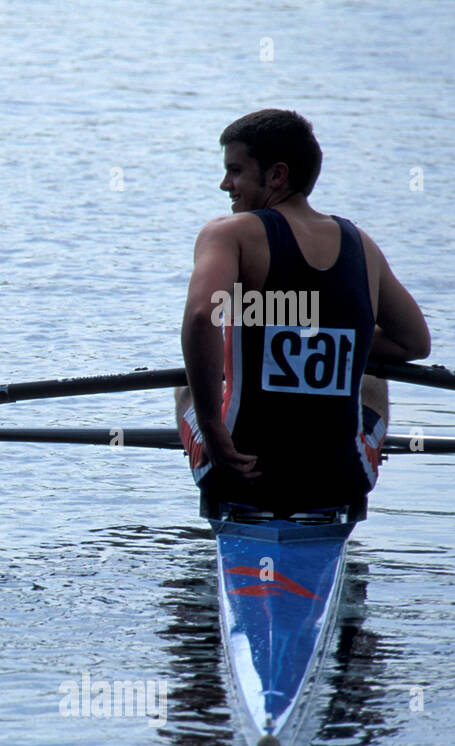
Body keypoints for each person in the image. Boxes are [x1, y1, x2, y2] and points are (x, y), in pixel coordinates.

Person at [177, 108, 431, 514]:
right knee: (369, 379)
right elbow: (413, 343)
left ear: (277, 175)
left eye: (235, 171)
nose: (225, 184)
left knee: (188, 380)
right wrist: (332, 338)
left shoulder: (228, 233)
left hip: (239, 474)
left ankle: (218, 432)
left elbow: (200, 318)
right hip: (340, 480)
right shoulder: (362, 244)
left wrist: (210, 424)